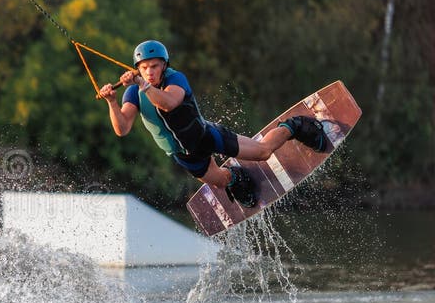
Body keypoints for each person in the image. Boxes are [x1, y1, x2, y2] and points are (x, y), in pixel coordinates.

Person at [96, 40, 327, 207]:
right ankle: (237, 177)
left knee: (264, 152)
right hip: (184, 155)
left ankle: (294, 126)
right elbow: (122, 128)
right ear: (138, 68)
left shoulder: (176, 79)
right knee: (221, 181)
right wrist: (112, 102)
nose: (149, 72)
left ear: (164, 65)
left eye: (154, 66)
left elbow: (168, 103)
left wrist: (144, 86)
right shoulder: (133, 93)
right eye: (144, 68)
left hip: (207, 136)